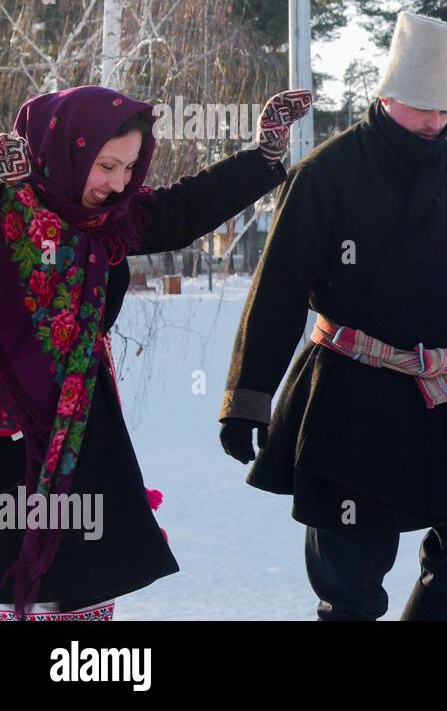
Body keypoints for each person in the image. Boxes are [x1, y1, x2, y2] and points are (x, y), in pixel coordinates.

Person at [217, 12, 447, 622]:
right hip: (352, 398)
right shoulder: (326, 173)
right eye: (421, 107)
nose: (434, 123)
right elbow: (277, 291)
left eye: (444, 111)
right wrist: (248, 397)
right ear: (387, 92)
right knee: (349, 576)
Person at [0, 84, 310, 620]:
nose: (118, 183)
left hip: (84, 425)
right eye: (106, 165)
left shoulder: (110, 221)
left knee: (84, 583)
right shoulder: (10, 208)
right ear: (63, 151)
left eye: (129, 166)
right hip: (10, 427)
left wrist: (263, 156)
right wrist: (11, 198)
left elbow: (184, 208)